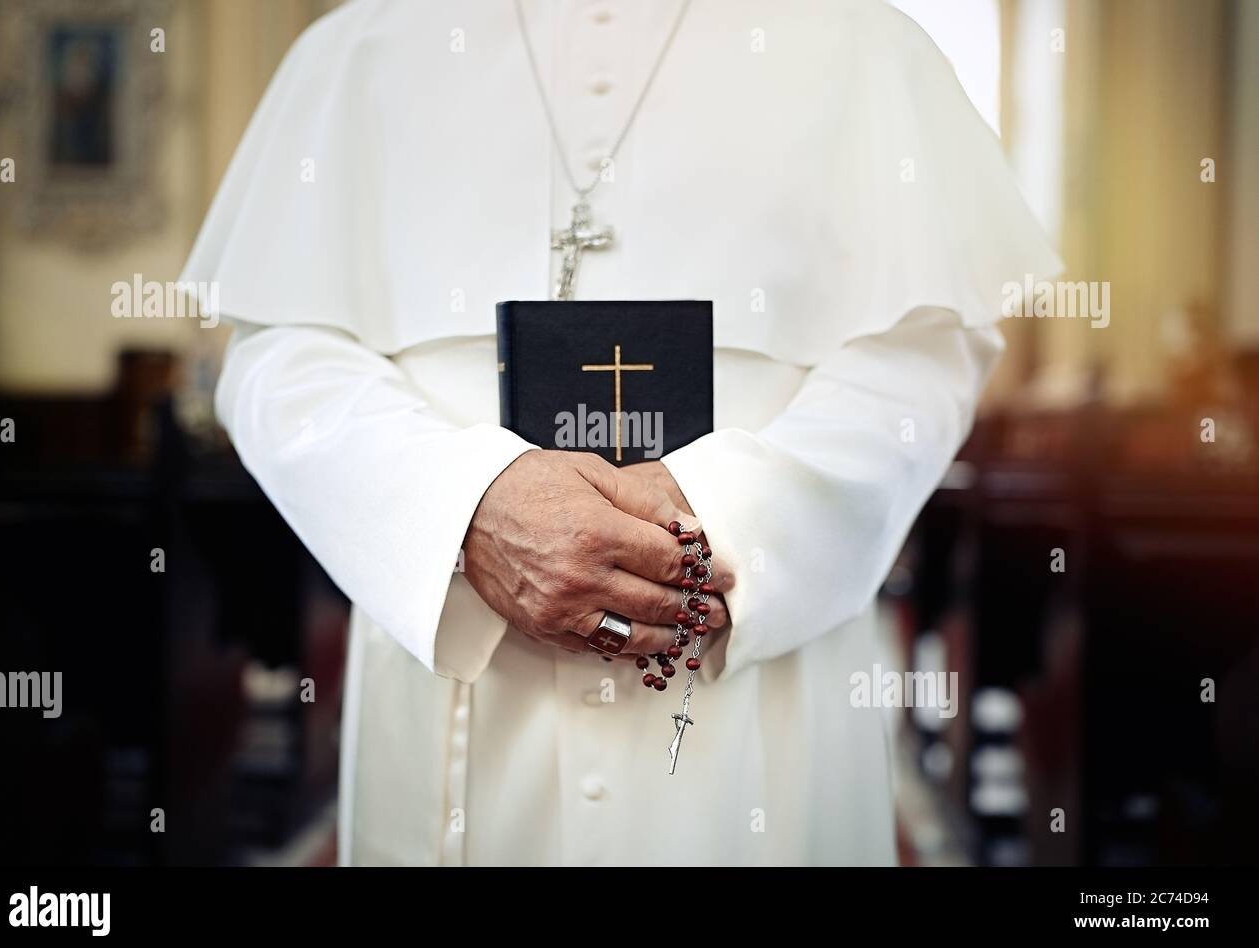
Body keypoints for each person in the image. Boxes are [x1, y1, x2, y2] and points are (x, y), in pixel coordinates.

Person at [181, 0, 1061, 865]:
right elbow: (280, 357)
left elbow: (921, 354)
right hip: (464, 674)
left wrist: (722, 517)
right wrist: (463, 508)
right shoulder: (360, 46)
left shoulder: (862, 42)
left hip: (752, 686)